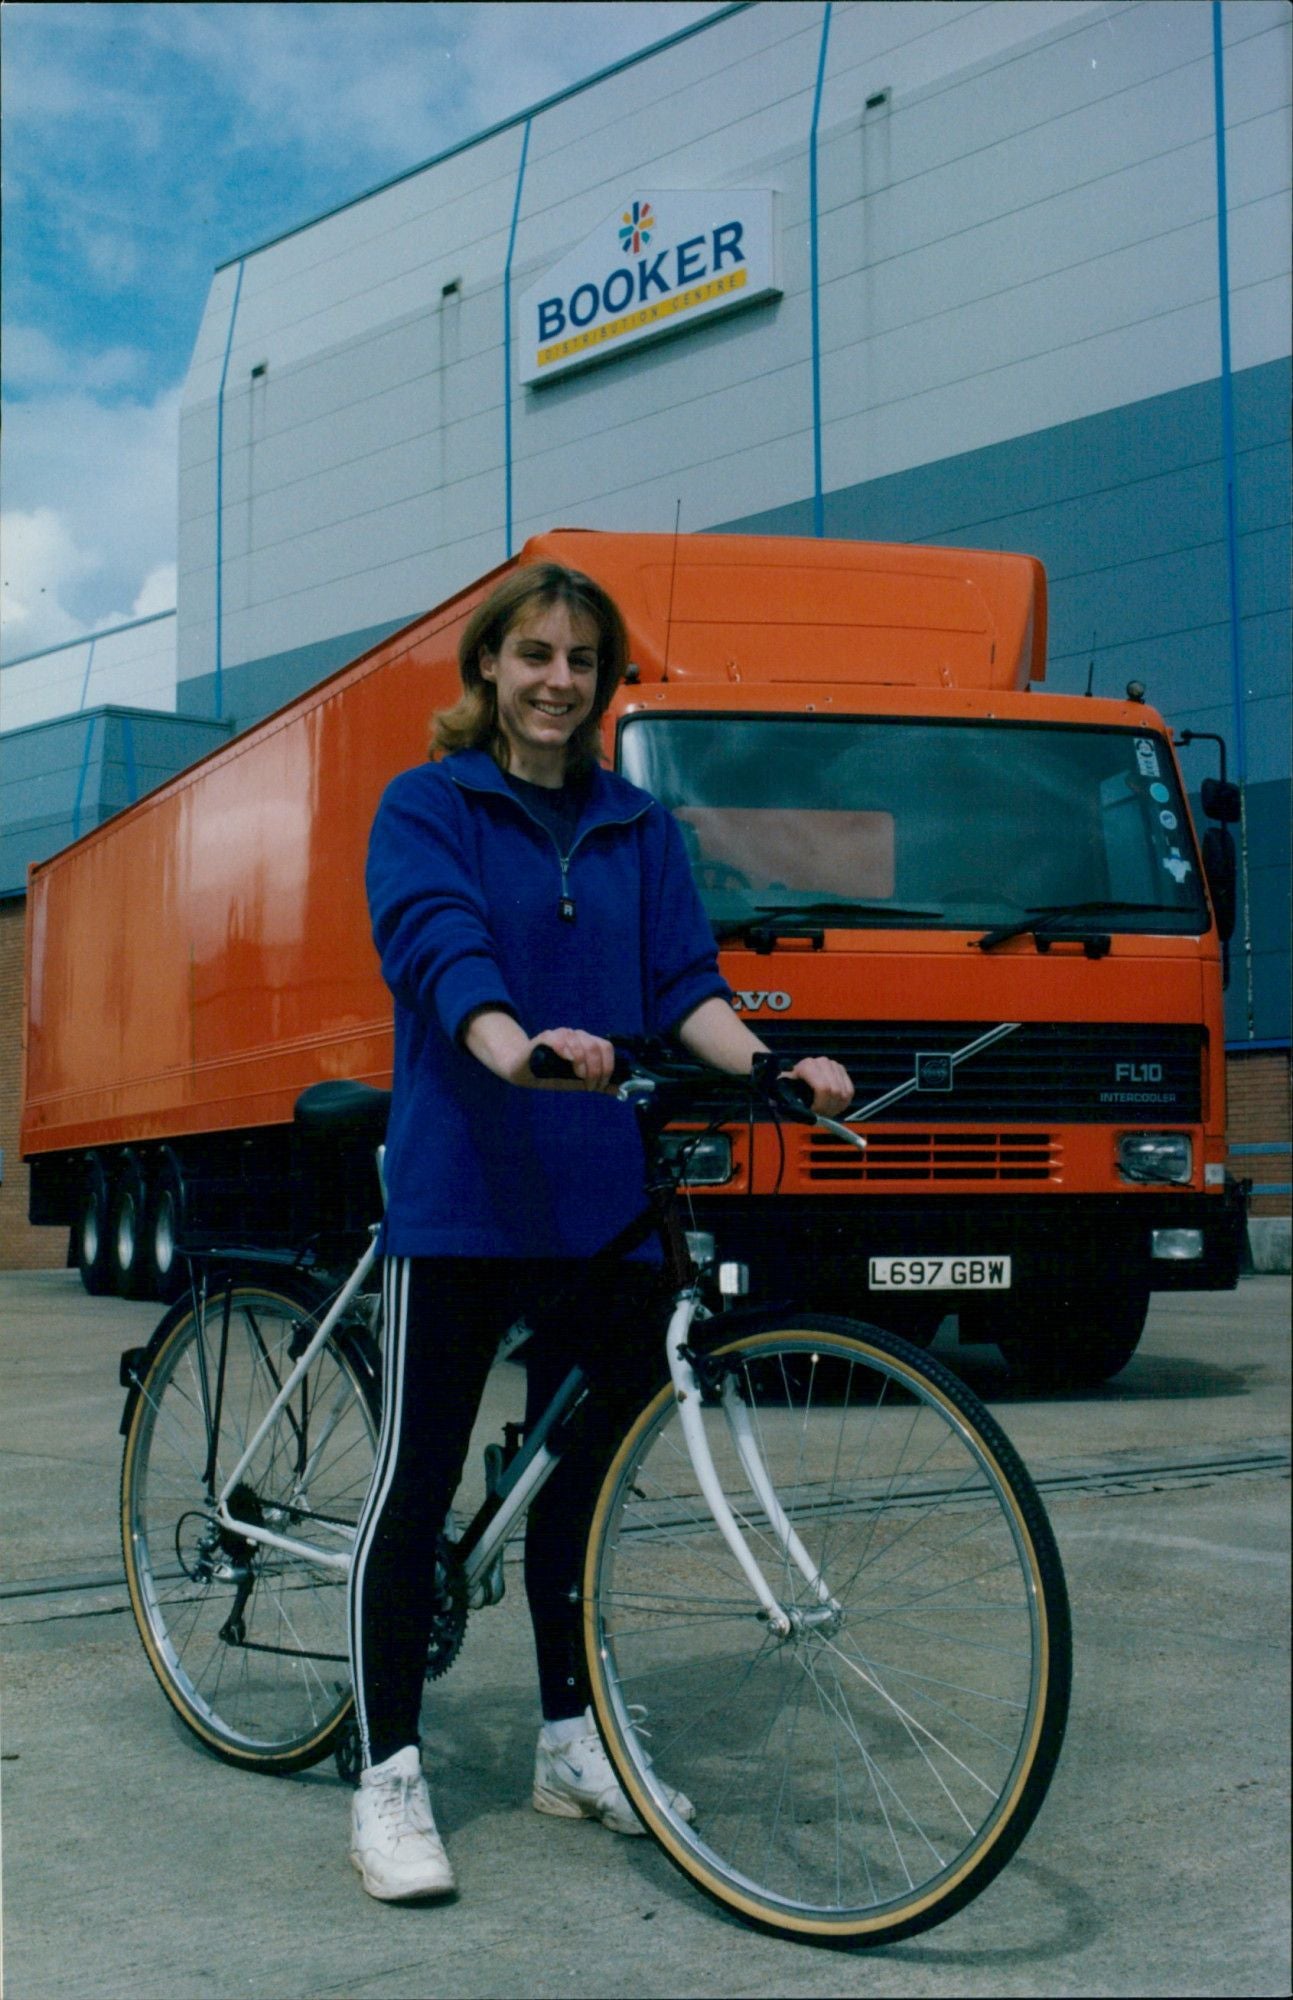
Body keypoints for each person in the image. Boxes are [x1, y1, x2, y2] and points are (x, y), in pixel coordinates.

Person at [351, 560, 853, 1901]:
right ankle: (387, 1769)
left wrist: (765, 1067)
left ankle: (568, 1744)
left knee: (582, 1482)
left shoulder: (639, 827)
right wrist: (512, 1049)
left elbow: (682, 982)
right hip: (465, 1190)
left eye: (580, 659)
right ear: (486, 669)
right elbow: (437, 944)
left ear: (604, 676)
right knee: (418, 1478)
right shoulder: (429, 804)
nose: (556, 682)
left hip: (602, 1204)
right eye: (532, 656)